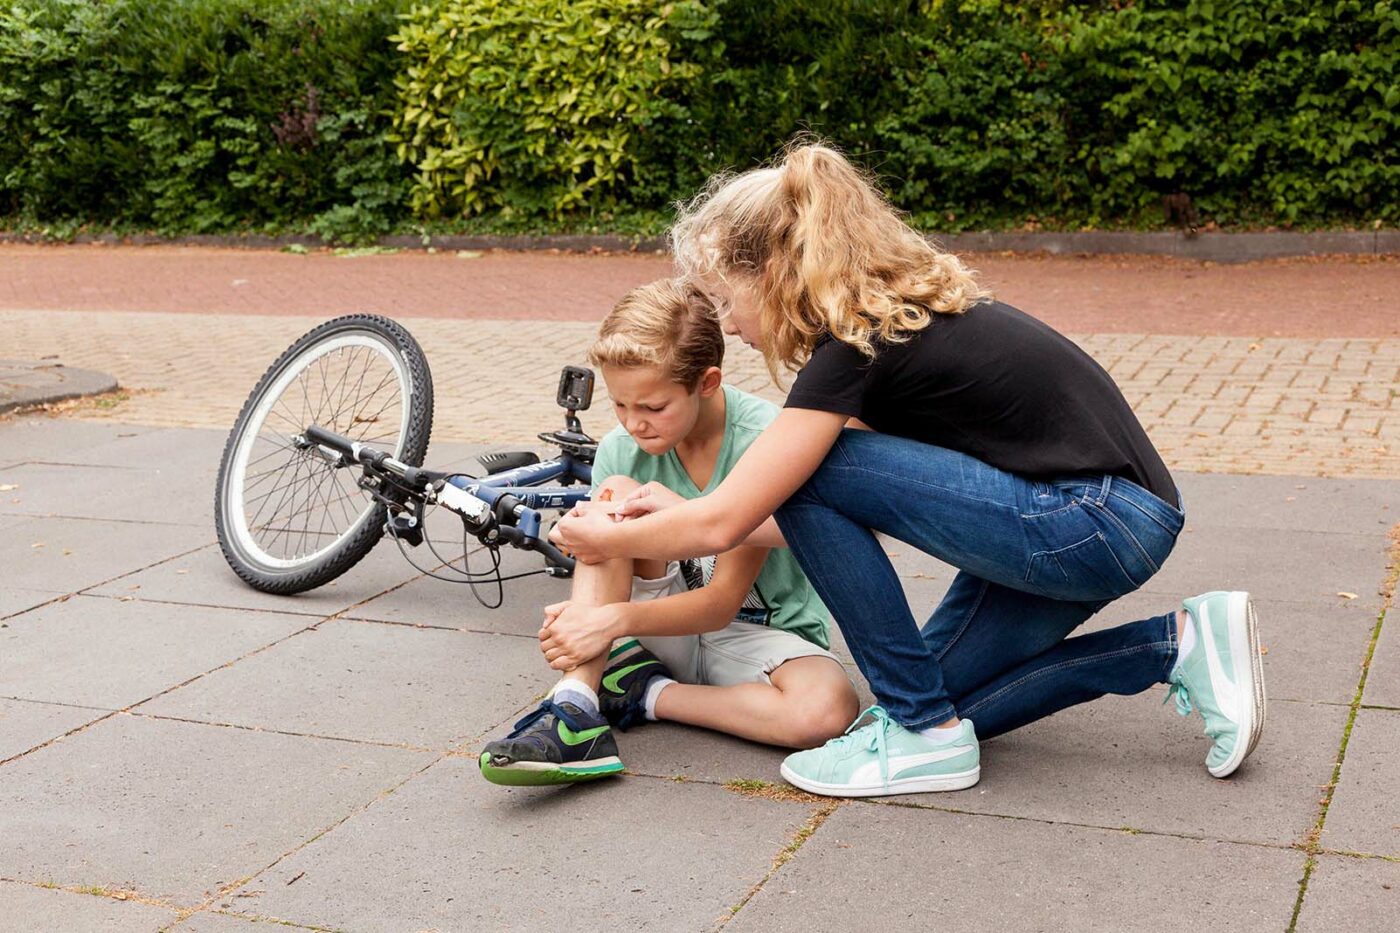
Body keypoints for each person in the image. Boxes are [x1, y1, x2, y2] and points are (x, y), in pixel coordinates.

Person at [555, 142, 1266, 798]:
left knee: (817, 493)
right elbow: (782, 518)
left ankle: (922, 733)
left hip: (1094, 519)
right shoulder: (890, 320)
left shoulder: (852, 343)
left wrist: (601, 541)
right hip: (1102, 520)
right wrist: (659, 518)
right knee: (925, 694)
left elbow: (733, 514)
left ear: (769, 273)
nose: (732, 323)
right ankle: (1173, 646)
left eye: (727, 299)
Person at [479, 279, 859, 786]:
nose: (634, 424)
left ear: (706, 382)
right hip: (657, 623)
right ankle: (573, 708)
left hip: (756, 634)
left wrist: (606, 622)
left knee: (828, 712)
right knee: (612, 491)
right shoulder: (623, 448)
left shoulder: (766, 443)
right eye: (620, 405)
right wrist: (582, 541)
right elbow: (610, 547)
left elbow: (721, 604)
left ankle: (643, 692)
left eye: (653, 408)